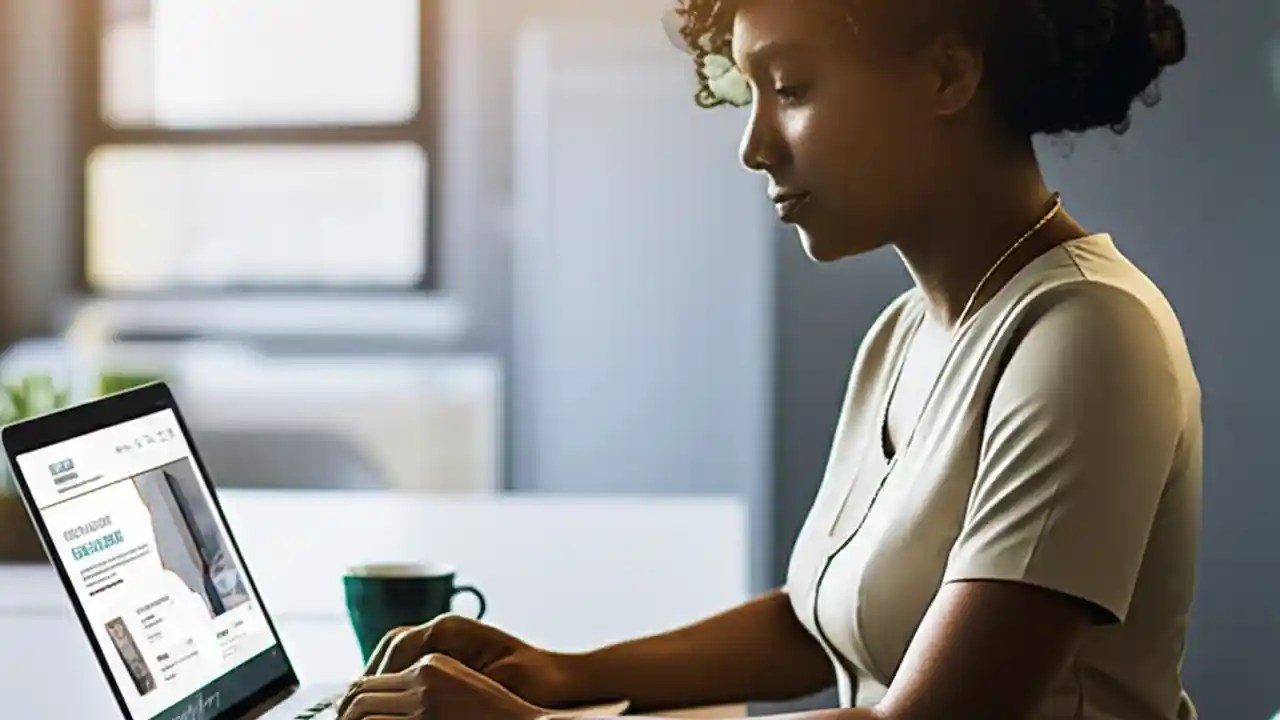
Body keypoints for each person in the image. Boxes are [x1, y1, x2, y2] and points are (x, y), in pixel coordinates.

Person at [338, 0, 1197, 718]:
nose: (756, 145)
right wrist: (563, 673)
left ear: (946, 75)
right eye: (750, 92)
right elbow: (817, 627)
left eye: (790, 88)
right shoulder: (906, 334)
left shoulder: (1088, 337)